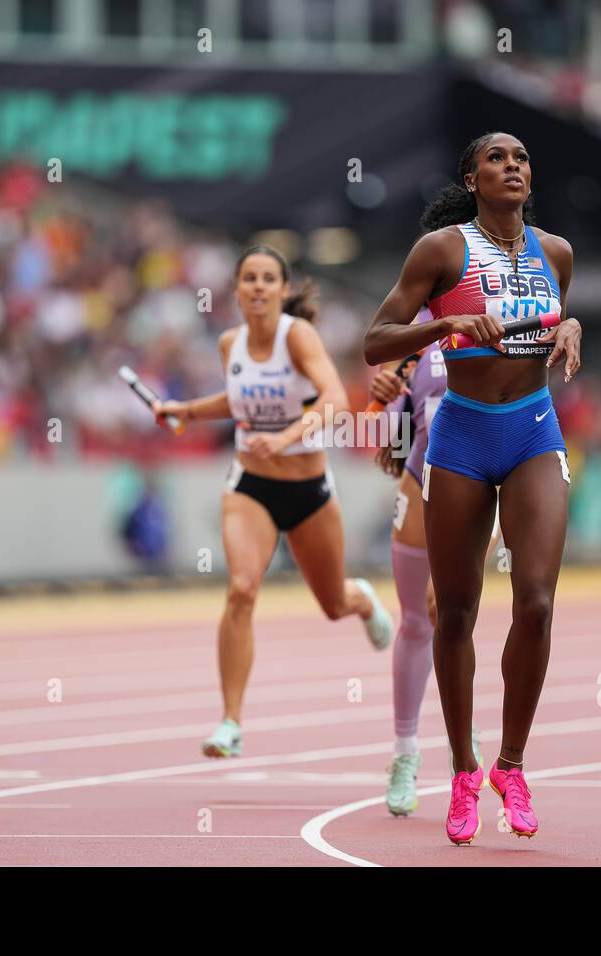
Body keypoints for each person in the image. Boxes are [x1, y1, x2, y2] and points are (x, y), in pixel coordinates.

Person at [363, 132, 582, 845]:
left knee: (539, 602)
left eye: (522, 156)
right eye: (497, 158)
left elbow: (546, 325)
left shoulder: (557, 253)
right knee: (454, 613)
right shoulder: (441, 252)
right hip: (458, 435)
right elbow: (376, 340)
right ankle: (462, 768)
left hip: (532, 431)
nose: (514, 165)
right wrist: (446, 324)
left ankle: (510, 765)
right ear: (472, 176)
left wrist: (570, 326)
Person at [152, 246, 393, 758]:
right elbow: (236, 401)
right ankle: (230, 722)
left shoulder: (297, 336)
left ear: (283, 292)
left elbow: (334, 400)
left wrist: (284, 439)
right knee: (241, 590)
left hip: (308, 491)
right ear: (236, 291)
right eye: (249, 279)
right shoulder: (229, 344)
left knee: (332, 605)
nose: (258, 287)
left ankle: (363, 599)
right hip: (250, 487)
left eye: (268, 279)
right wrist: (187, 412)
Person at [369, 309, 491, 816]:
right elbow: (394, 418)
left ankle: (463, 736)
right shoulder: (418, 324)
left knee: (448, 611)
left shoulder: (496, 307)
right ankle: (404, 754)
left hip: (479, 480)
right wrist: (384, 398)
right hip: (420, 477)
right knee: (416, 621)